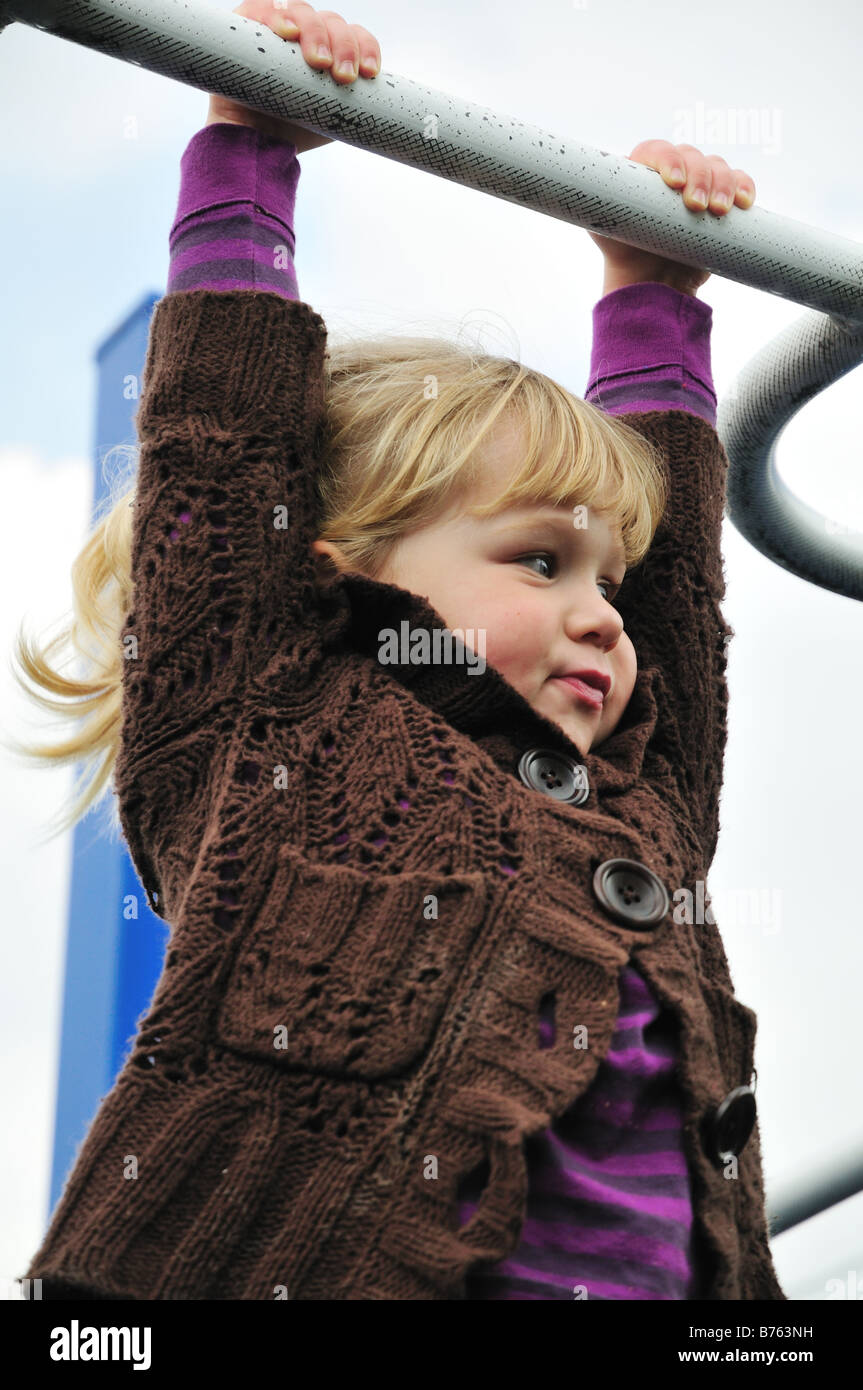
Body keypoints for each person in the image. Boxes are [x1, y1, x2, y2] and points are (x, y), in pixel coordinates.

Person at [14, 2, 784, 1300]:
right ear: (335, 574)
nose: (604, 611)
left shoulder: (646, 813)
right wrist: (249, 145)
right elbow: (220, 452)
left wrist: (652, 297)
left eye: (601, 573)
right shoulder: (281, 736)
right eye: (541, 561)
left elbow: (672, 606)